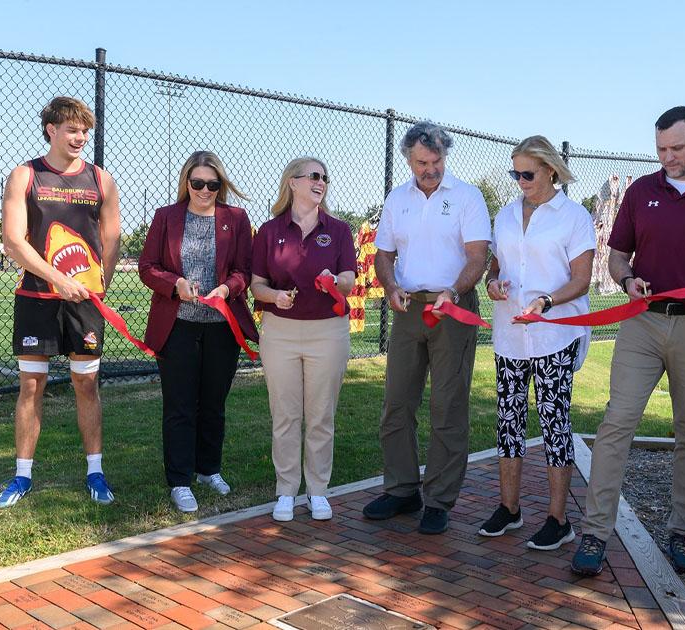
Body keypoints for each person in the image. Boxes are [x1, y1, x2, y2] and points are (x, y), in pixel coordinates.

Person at [571, 106, 685, 575]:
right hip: (643, 324)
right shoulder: (641, 191)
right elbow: (616, 257)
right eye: (661, 150)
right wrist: (627, 279)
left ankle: (683, 531)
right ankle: (594, 533)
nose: (668, 158)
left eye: (677, 148)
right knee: (616, 423)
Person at [362, 121, 491, 535]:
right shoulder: (397, 199)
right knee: (397, 403)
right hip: (408, 308)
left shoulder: (468, 197)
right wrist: (391, 285)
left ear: (445, 157)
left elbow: (477, 257)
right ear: (409, 159)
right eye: (421, 162)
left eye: (435, 161)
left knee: (447, 407)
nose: (429, 169)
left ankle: (438, 499)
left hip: (451, 307)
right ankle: (402, 490)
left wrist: (454, 291)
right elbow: (383, 254)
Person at [0, 96, 122, 508]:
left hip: (84, 301)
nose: (80, 137)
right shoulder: (24, 175)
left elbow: (112, 239)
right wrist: (57, 280)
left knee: (87, 382)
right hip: (37, 297)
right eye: (72, 129)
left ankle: (96, 473)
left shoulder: (102, 180)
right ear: (51, 129)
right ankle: (21, 476)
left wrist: (97, 285)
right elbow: (13, 240)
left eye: (85, 130)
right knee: (32, 384)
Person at [477, 136, 594, 550]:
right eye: (516, 173)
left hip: (554, 334)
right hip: (510, 334)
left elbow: (580, 278)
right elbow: (497, 266)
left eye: (528, 173)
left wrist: (548, 300)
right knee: (507, 422)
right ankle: (510, 510)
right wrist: (492, 283)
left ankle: (558, 520)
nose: (521, 180)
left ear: (550, 170)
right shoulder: (505, 216)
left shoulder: (574, 217)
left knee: (553, 423)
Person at [139, 151, 257, 513]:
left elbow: (244, 270)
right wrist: (174, 283)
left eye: (213, 184)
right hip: (177, 326)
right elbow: (147, 267)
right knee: (179, 405)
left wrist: (227, 290)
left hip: (222, 327)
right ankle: (179, 479)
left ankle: (208, 469)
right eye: (198, 183)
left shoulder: (236, 219)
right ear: (186, 182)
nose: (205, 190)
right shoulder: (166, 217)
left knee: (213, 403)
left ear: (221, 185)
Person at [251, 157, 357, 523]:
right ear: (292, 183)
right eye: (313, 176)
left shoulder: (339, 230)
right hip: (280, 332)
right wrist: (273, 297)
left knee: (320, 415)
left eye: (324, 177)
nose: (320, 182)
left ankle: (317, 491)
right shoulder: (268, 231)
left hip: (328, 331)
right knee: (285, 414)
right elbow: (256, 284)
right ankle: (285, 491)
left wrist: (334, 279)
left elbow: (349, 280)